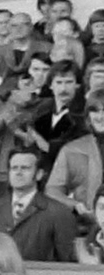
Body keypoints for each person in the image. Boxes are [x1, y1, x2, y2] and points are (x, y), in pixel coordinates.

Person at [0, 147, 78, 261]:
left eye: (25, 168)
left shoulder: (59, 212)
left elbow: (67, 262)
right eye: (14, 168)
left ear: (39, 174)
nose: (18, 172)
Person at [46, 89, 104, 217]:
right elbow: (53, 190)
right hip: (86, 225)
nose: (100, 117)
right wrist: (74, 205)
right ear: (88, 115)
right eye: (94, 111)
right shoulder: (72, 149)